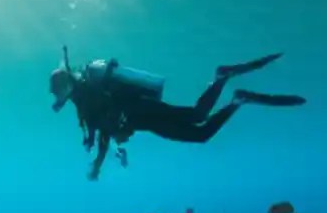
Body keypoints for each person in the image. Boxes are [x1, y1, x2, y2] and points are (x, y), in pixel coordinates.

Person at [49, 46, 306, 180]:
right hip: (144, 117)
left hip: (144, 113)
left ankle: (227, 86)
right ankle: (233, 94)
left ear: (66, 87)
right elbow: (103, 129)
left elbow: (103, 133)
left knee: (198, 123)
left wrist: (97, 165)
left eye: (58, 93)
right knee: (199, 125)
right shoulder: (83, 96)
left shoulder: (86, 98)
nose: (58, 99)